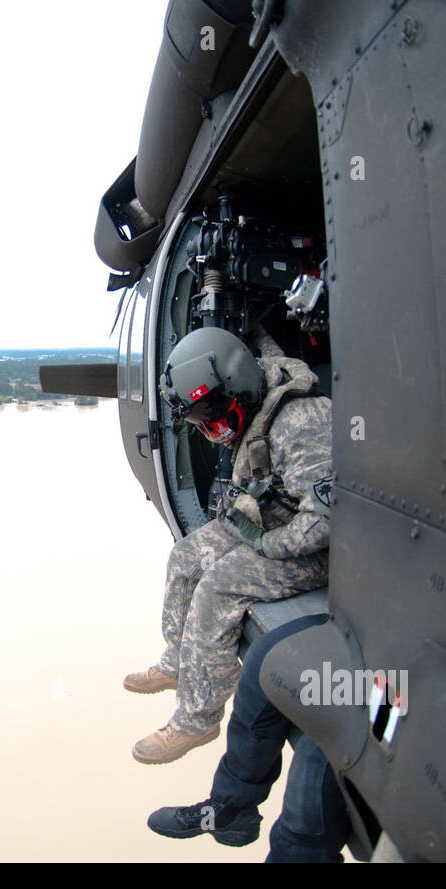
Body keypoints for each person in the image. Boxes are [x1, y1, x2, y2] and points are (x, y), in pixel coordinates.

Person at [124, 324, 332, 764]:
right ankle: (178, 661)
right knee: (185, 558)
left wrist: (266, 543)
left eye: (211, 414)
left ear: (237, 389)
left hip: (315, 549)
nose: (212, 428)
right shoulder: (255, 384)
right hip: (268, 520)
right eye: (201, 421)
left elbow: (325, 524)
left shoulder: (303, 423)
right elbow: (265, 345)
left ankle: (195, 721)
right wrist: (253, 329)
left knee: (218, 587)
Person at [145, 623, 351, 862]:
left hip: (394, 671)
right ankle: (230, 809)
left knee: (318, 747)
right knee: (265, 657)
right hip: (363, 625)